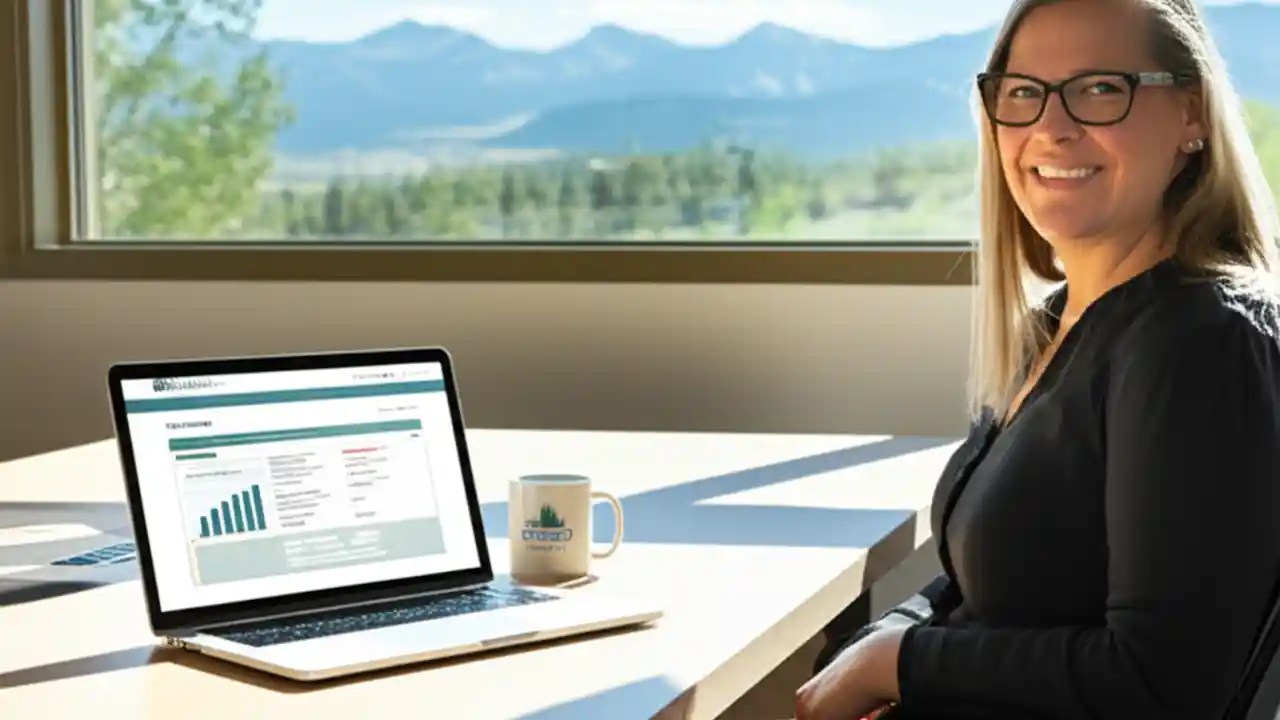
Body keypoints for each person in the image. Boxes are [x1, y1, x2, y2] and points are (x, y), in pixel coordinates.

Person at [795, 0, 1280, 718]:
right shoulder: (1054, 323)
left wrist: (899, 663)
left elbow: (1161, 684)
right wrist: (884, 641)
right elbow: (980, 582)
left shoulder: (1199, 344)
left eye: (1100, 89)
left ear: (1191, 115)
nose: (1052, 127)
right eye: (1023, 93)